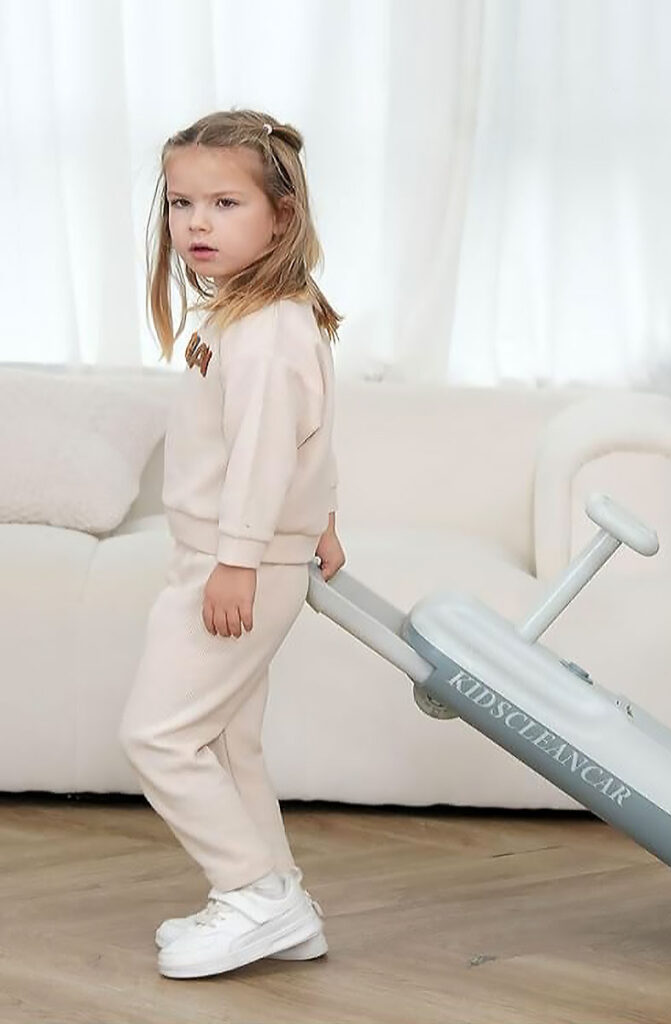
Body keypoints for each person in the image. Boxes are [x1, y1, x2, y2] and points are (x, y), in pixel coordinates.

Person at [118, 109, 346, 980]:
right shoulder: (253, 315)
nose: (197, 224)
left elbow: (262, 449)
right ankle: (277, 898)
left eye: (224, 202)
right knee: (222, 741)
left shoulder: (269, 326)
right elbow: (300, 436)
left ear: (281, 216)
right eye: (181, 204)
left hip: (236, 562)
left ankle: (252, 891)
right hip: (229, 554)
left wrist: (242, 558)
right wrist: (319, 518)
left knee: (158, 737)